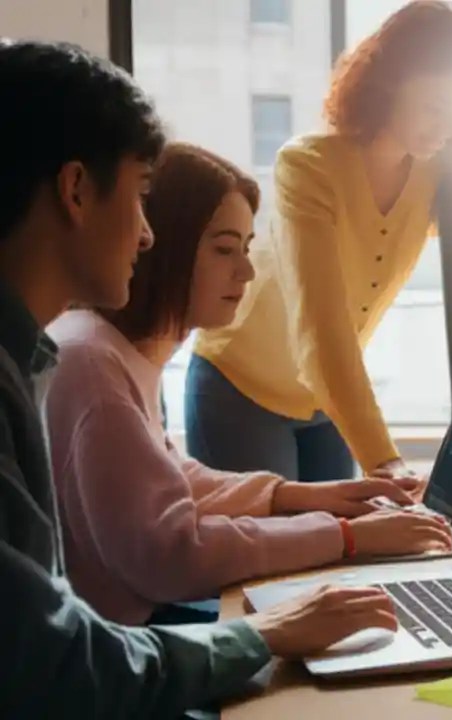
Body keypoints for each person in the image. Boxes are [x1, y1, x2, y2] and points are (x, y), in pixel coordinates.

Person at [0, 39, 401, 716]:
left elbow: (170, 479)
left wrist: (304, 499)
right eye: (139, 194)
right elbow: (66, 653)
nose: (147, 234)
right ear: (75, 190)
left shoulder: (49, 355)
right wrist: (269, 628)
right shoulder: (84, 362)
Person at [44, 143, 452, 627]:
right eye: (224, 249)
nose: (247, 271)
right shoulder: (94, 368)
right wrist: (346, 536)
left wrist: (298, 497)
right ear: (162, 244)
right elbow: (172, 555)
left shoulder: (109, 350)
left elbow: (170, 480)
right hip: (128, 647)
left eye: (246, 247)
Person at [189, 0, 452, 481]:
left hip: (327, 401)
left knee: (347, 551)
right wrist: (387, 463)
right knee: (278, 551)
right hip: (241, 388)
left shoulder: (441, 175)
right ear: (389, 84)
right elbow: (322, 332)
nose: (447, 127)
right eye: (434, 107)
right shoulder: (308, 166)